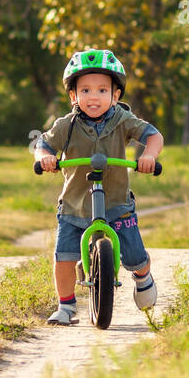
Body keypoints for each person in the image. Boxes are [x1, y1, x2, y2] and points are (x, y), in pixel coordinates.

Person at [32, 48, 163, 325]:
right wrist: (45, 157)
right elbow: (44, 143)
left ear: (116, 95)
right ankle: (66, 306)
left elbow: (152, 135)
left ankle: (143, 277)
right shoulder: (65, 124)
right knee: (65, 256)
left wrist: (148, 155)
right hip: (75, 203)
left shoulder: (122, 120)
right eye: (86, 90)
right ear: (73, 96)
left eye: (103, 90)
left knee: (135, 257)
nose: (94, 97)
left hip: (116, 203)